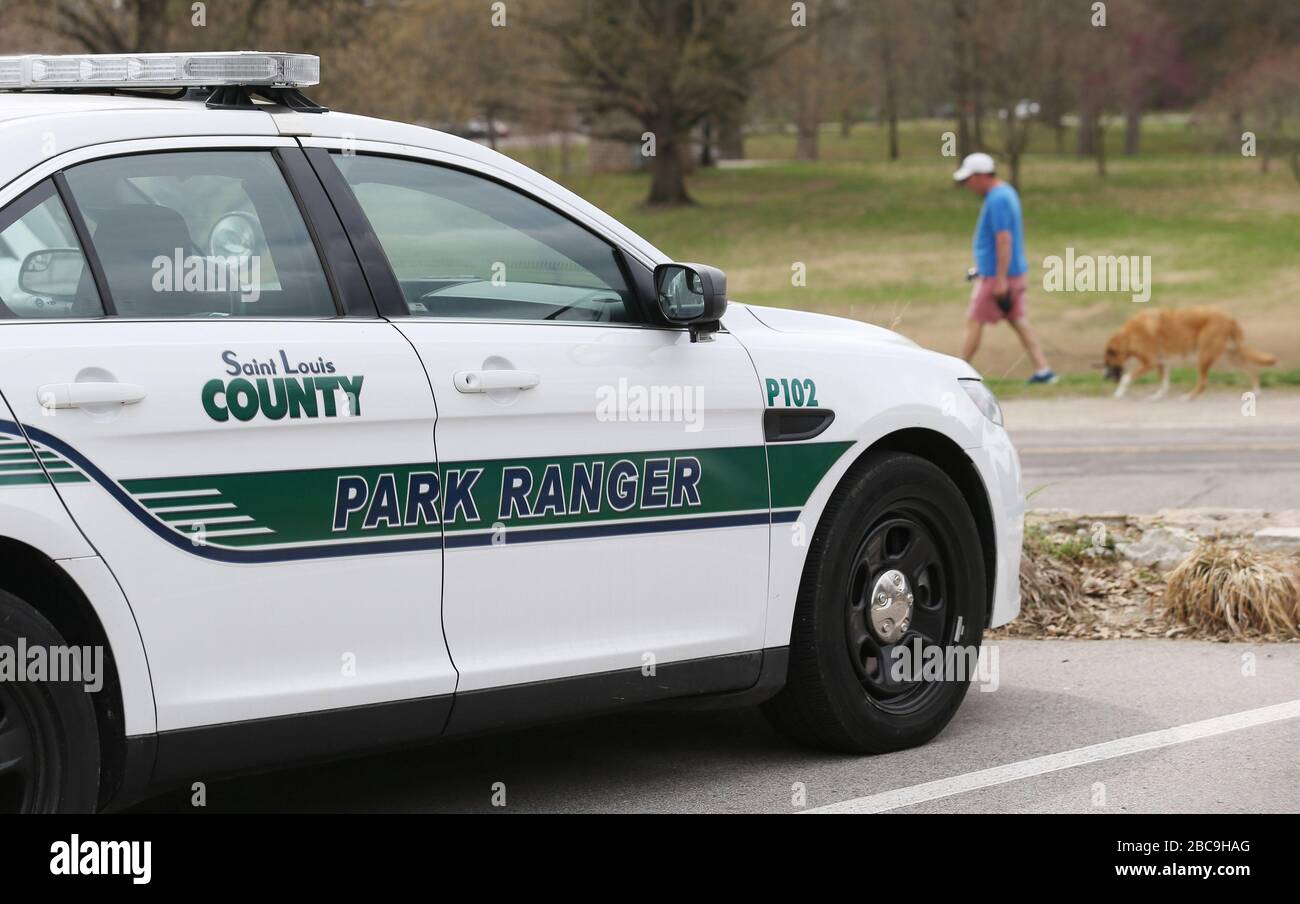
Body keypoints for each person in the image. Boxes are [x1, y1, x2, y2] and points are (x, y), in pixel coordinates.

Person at [952, 152, 1056, 384]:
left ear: (981, 176)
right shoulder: (1006, 192)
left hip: (999, 276)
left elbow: (1004, 239)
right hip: (1011, 272)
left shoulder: (997, 199)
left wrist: (999, 279)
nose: (968, 186)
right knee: (1019, 321)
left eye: (969, 180)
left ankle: (958, 374)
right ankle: (1044, 370)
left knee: (974, 320)